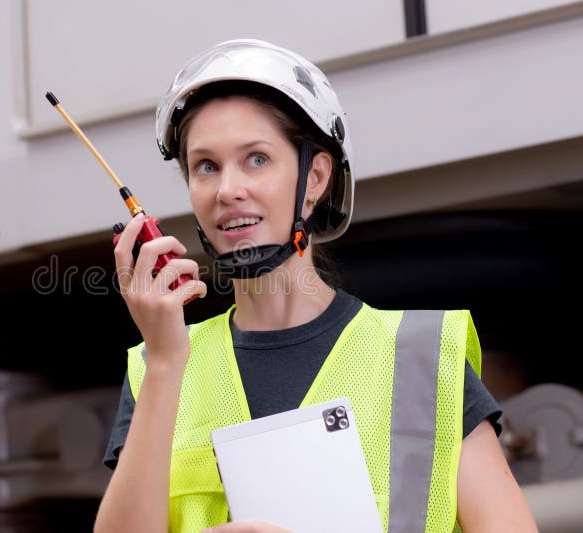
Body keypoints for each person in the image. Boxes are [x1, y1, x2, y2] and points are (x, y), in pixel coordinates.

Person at [93, 39, 537, 533]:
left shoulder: (421, 358)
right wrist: (166, 362)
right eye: (206, 166)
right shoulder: (155, 367)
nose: (227, 190)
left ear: (316, 177)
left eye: (256, 159)